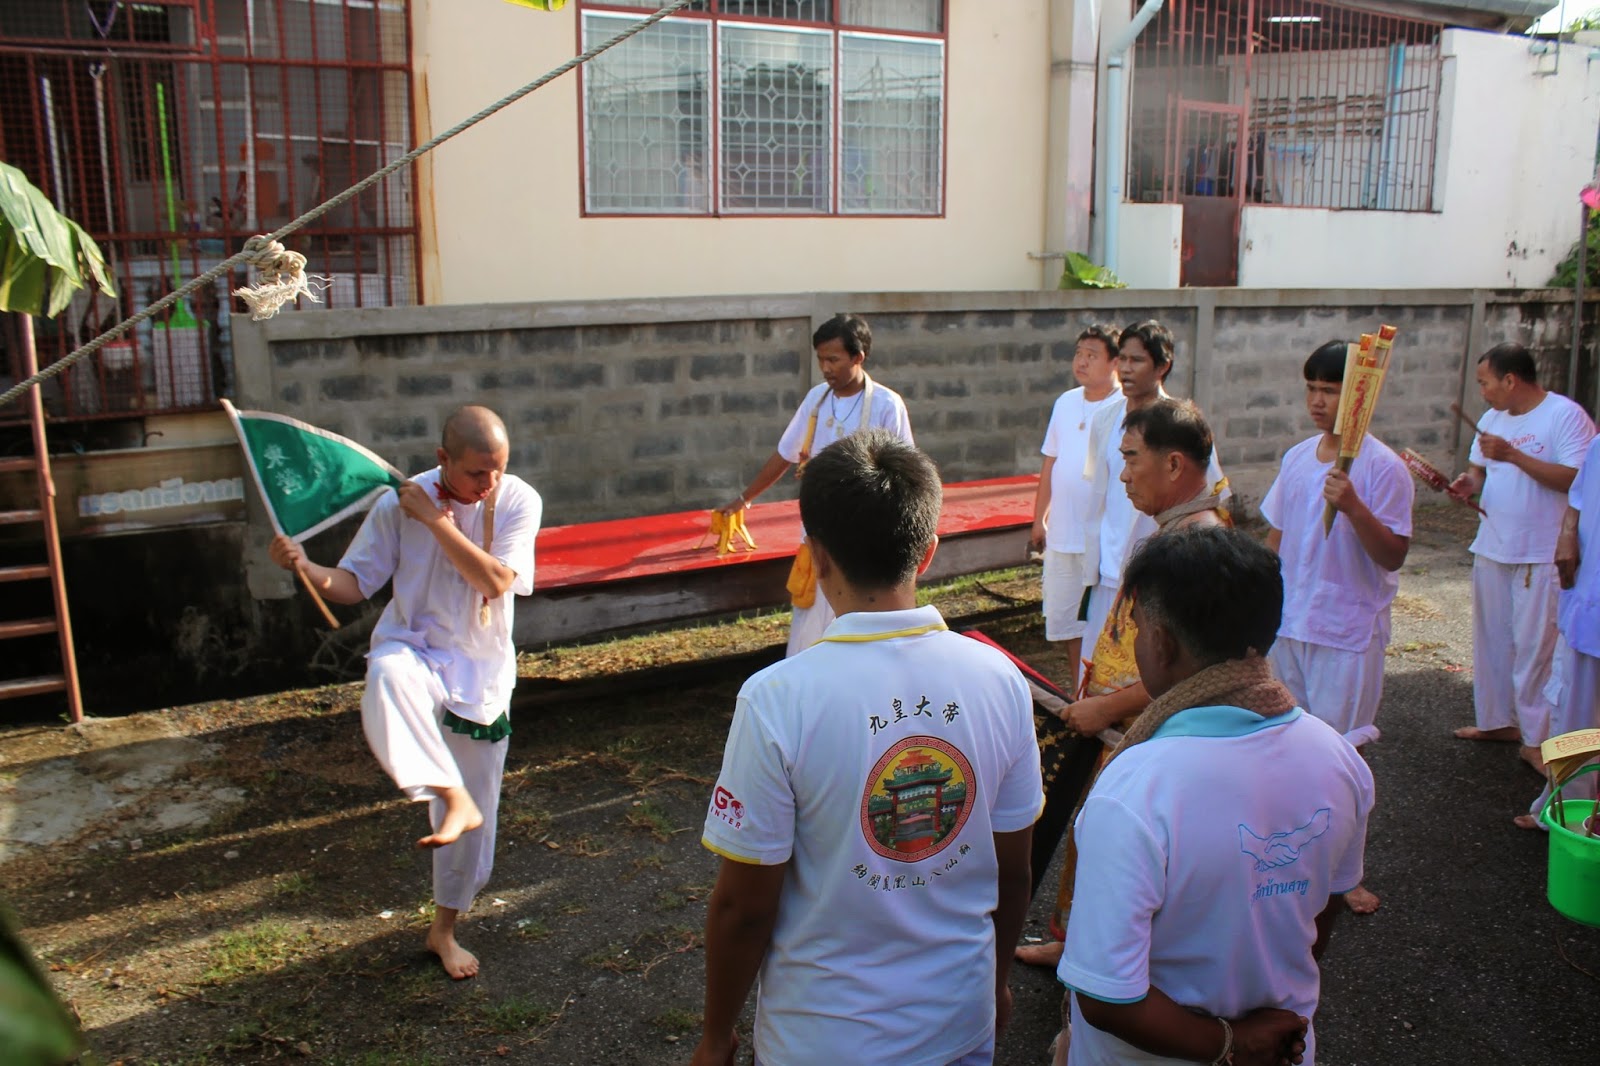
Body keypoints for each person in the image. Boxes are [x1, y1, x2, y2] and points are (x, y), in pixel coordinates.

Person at [691, 431, 1042, 1066]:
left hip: (823, 1036)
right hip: (959, 1022)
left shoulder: (778, 698)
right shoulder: (999, 680)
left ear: (815, 555)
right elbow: (1014, 871)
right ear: (929, 550)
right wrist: (995, 985)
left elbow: (744, 907)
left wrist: (717, 1035)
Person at [1056, 526, 1375, 1066]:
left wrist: (1234, 1043)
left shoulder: (1137, 788)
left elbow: (1107, 997)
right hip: (1288, 1044)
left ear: (1161, 642)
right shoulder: (1339, 758)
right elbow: (1323, 909)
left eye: (1137, 629)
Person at [267, 406, 541, 980]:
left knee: (476, 825)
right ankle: (446, 789)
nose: (488, 484)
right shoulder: (398, 501)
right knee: (386, 674)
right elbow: (351, 585)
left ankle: (443, 929)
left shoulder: (517, 500)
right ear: (443, 459)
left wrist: (437, 521)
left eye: (498, 469)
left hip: (481, 669)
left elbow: (495, 581)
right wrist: (306, 566)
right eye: (475, 474)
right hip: (414, 648)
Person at [1017, 399, 1227, 971]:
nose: (1124, 473)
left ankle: (1109, 963)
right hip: (1119, 726)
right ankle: (1081, 942)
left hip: (1148, 730)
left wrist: (1108, 706)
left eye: (1133, 459)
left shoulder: (1197, 547)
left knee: (1125, 851)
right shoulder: (1172, 532)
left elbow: (1193, 669)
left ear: (1175, 465)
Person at [1261, 341, 1412, 915]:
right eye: (1313, 389)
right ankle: (1293, 858)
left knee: (1342, 756)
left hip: (1348, 631)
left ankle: (1344, 872)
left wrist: (1354, 507)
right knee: (1285, 746)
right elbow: (1277, 541)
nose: (1319, 401)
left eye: (1332, 391)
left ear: (1359, 399)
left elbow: (1393, 554)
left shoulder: (1382, 467)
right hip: (1291, 626)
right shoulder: (1298, 457)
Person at [718, 313, 914, 657]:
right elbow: (785, 453)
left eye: (834, 359)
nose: (826, 368)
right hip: (818, 533)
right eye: (821, 360)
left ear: (858, 357)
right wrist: (743, 499)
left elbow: (903, 472)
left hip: (863, 537)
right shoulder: (816, 401)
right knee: (810, 620)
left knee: (860, 622)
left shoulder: (886, 405)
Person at [1448, 343, 1594, 773]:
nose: (1483, 393)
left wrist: (1513, 454)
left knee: (1536, 649)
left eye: (1485, 383)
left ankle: (1536, 739)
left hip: (1541, 551)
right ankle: (1496, 721)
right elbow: (1478, 470)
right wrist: (1466, 483)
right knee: (1491, 639)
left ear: (1510, 380)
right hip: (1493, 544)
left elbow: (1578, 479)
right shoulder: (1492, 420)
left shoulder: (1564, 416)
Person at [1078, 321, 1228, 666]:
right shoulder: (1105, 419)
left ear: (1163, 366)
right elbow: (1098, 491)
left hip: (1160, 565)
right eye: (1123, 359)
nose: (1127, 369)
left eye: (1137, 361)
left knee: (1155, 664)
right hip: (1108, 567)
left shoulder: (1182, 425)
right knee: (1099, 665)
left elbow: (1211, 495)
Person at [1032, 324, 1123, 693]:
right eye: (1078, 353)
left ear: (1115, 362)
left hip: (1100, 538)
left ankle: (1104, 692)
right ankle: (1079, 692)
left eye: (1092, 355)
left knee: (1100, 623)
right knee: (1068, 623)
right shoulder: (1066, 402)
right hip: (1063, 533)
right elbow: (1050, 462)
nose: (1081, 361)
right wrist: (1039, 518)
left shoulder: (1123, 408)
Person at [1517, 434, 1600, 829]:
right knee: (1574, 720)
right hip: (1588, 604)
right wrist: (1568, 531)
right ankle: (1562, 813)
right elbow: (1580, 497)